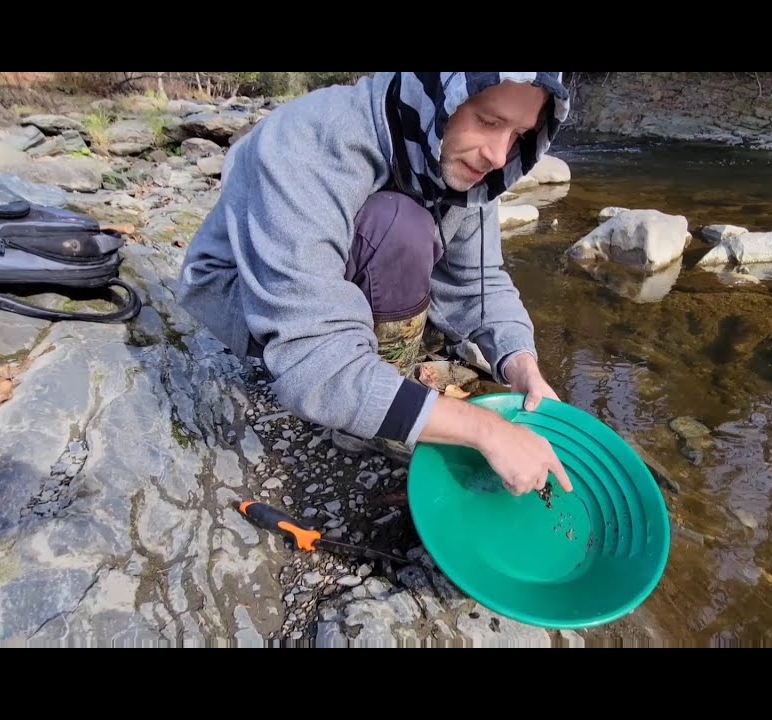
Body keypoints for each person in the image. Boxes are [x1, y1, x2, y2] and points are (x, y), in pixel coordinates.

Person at [175, 72, 573, 498]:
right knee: (398, 225)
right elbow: (314, 360)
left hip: (345, 277)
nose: (499, 155)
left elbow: (478, 282)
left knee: (404, 232)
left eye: (519, 134)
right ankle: (365, 423)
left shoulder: (465, 162)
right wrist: (483, 428)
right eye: (490, 122)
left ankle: (381, 384)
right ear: (439, 97)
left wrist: (520, 365)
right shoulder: (309, 139)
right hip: (245, 295)